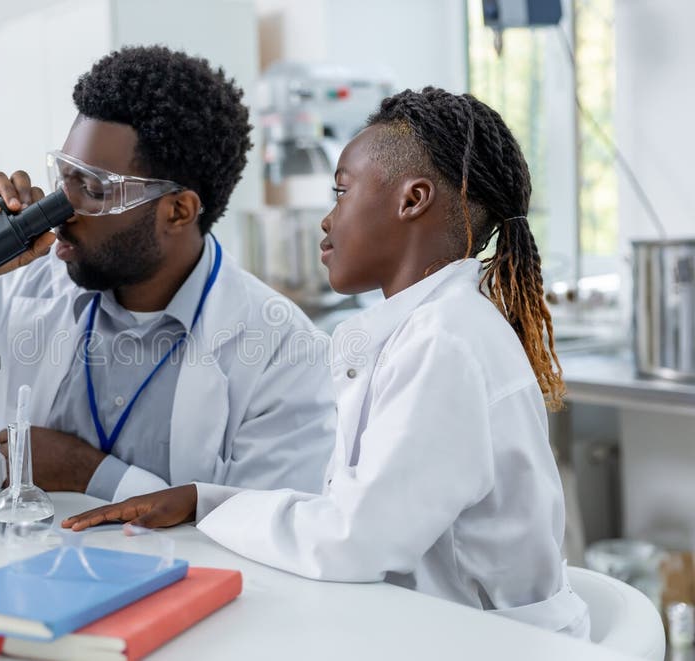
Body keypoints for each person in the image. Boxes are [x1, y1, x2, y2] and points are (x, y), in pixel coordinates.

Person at [63, 87, 590, 638]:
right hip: (443, 628)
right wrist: (206, 498)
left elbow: (354, 540)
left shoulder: (446, 340)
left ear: (412, 200)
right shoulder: (427, 326)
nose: (326, 221)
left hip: (492, 644)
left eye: (341, 193)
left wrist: (206, 506)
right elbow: (358, 514)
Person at [0, 45, 335, 503]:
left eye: (94, 189)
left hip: (187, 587)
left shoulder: (281, 348)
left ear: (177, 211)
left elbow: (271, 525)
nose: (61, 209)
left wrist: (94, 476)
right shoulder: (25, 288)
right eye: (65, 177)